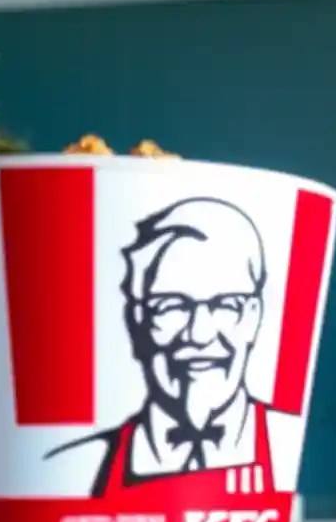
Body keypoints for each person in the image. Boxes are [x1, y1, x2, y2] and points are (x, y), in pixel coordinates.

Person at [45, 197, 289, 499]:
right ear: (137, 320)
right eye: (172, 306)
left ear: (253, 317)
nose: (199, 335)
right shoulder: (75, 468)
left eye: (227, 305)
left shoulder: (289, 446)